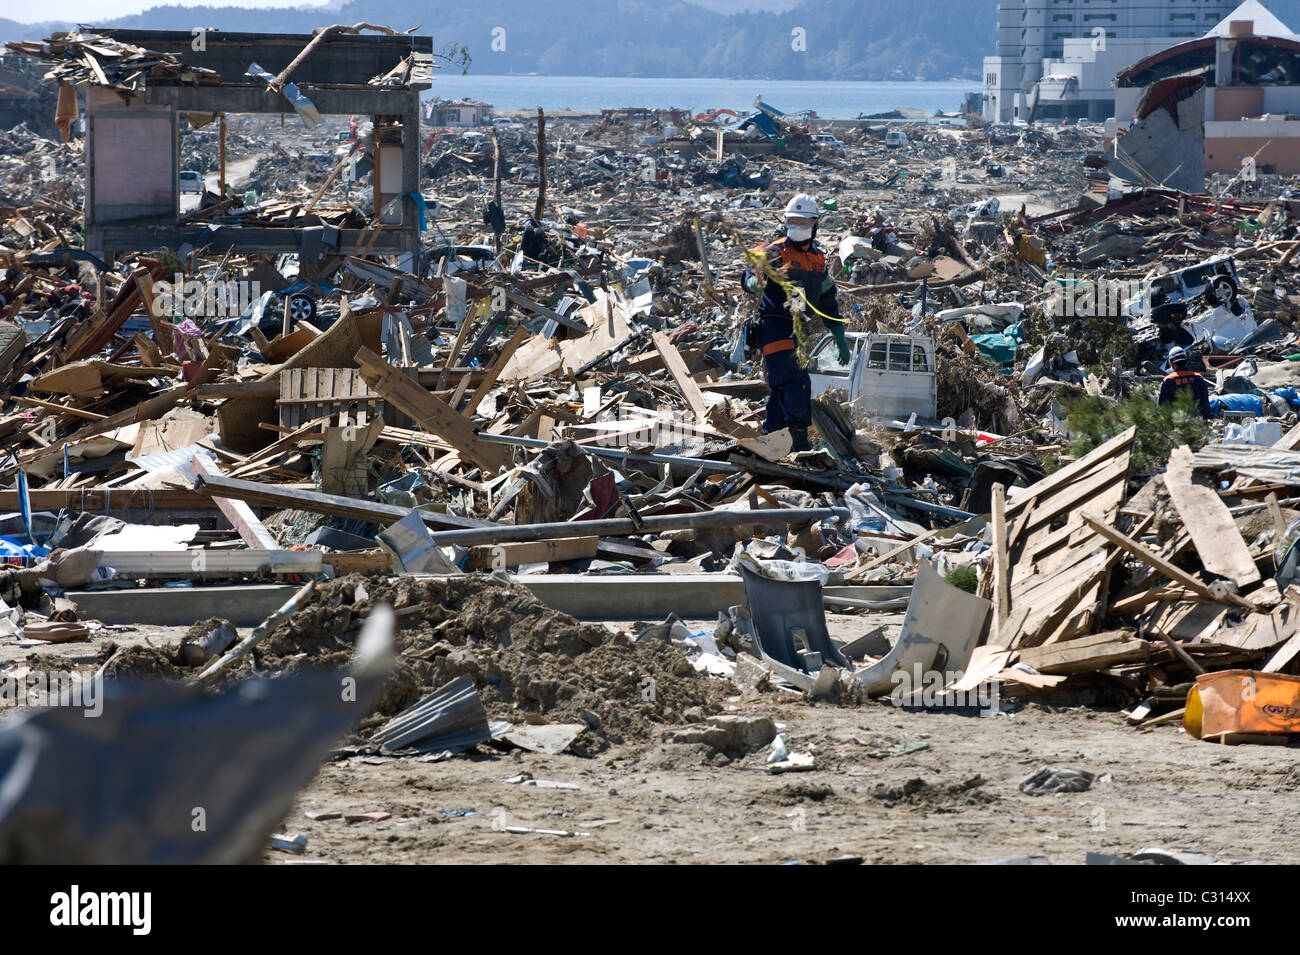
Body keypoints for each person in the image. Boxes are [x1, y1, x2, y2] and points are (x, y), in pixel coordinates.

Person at [742, 193, 849, 452]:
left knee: (781, 386)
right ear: (786, 222)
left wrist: (839, 335)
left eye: (804, 222)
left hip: (799, 328)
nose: (798, 227)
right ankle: (798, 437)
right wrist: (753, 281)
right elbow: (748, 276)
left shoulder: (818, 260)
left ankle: (772, 437)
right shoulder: (776, 250)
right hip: (776, 324)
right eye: (793, 221)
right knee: (797, 381)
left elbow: (827, 301)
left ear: (815, 225)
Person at [1157, 346, 1212, 418]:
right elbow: (1205, 403)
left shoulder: (1168, 380)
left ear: (1172, 363)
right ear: (1185, 361)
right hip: (1197, 422)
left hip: (1177, 422)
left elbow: (1163, 406)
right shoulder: (1198, 377)